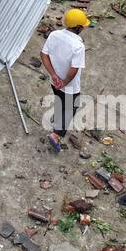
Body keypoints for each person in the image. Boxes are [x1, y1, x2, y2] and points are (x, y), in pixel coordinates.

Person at [41, 9, 89, 152]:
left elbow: (44, 54)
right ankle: (56, 135)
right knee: (71, 108)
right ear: (78, 27)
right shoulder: (78, 46)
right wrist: (65, 81)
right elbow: (74, 69)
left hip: (54, 81)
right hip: (70, 85)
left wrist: (54, 75)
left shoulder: (54, 35)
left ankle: (57, 117)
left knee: (59, 98)